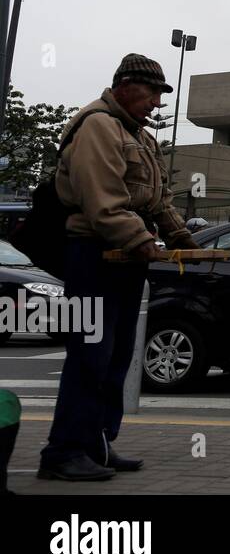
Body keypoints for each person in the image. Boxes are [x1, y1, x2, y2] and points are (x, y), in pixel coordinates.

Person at [38, 54, 199, 481]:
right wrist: (143, 240)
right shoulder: (97, 126)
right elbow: (102, 200)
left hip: (124, 258)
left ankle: (96, 443)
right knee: (89, 355)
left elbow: (160, 199)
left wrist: (182, 239)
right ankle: (63, 451)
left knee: (116, 356)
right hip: (92, 254)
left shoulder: (140, 137)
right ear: (125, 86)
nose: (156, 104)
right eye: (151, 93)